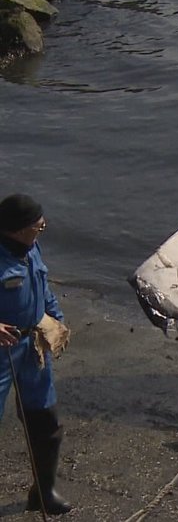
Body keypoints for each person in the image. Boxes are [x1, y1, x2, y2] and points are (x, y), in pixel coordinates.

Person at [0, 193, 72, 515]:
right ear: (14, 230)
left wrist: (56, 320)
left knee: (46, 423)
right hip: (1, 355)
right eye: (36, 226)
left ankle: (44, 493)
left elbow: (43, 287)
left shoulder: (31, 248)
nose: (42, 227)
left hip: (33, 349)